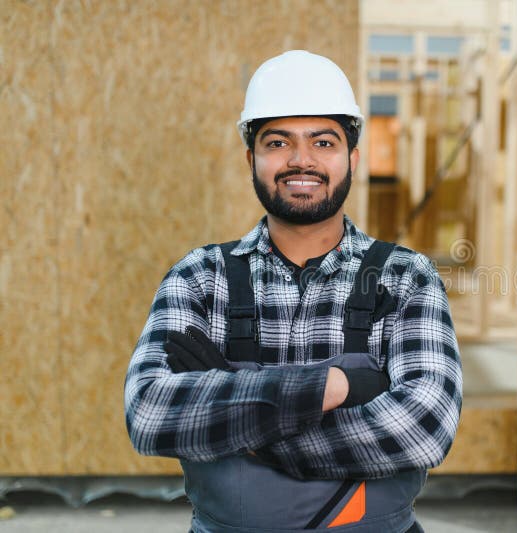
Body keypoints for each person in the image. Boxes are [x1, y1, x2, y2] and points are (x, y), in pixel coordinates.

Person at [124, 50, 462, 533]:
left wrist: (241, 421)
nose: (301, 160)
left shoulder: (406, 277)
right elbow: (149, 414)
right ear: (252, 158)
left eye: (323, 142)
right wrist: (332, 388)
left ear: (352, 158)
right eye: (278, 142)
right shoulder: (200, 277)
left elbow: (423, 428)